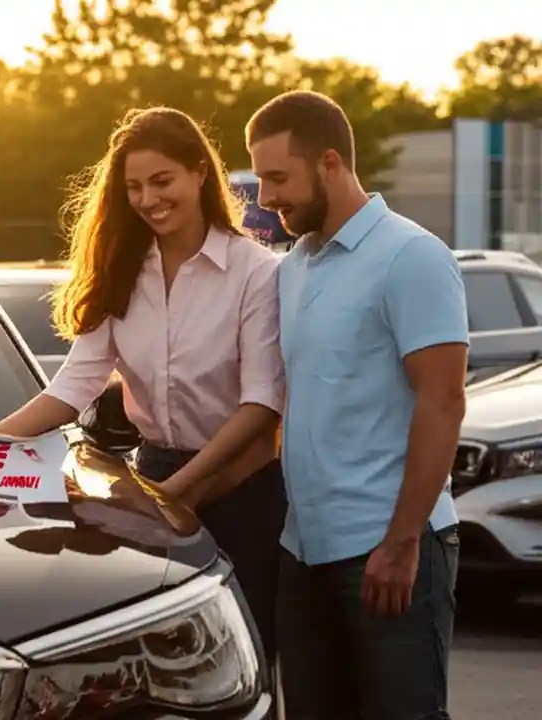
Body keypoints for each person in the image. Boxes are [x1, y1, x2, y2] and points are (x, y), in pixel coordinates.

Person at [0, 106, 287, 665]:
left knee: (244, 659)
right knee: (152, 660)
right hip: (152, 481)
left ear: (201, 172)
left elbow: (262, 404)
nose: (149, 199)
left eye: (162, 181)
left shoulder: (257, 272)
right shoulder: (121, 270)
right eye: (134, 187)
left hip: (244, 493)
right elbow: (71, 389)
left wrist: (181, 490)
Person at [245, 90, 466, 720]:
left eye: (278, 177)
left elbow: (444, 402)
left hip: (390, 550)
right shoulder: (293, 269)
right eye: (261, 178)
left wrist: (400, 544)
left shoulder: (412, 255)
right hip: (304, 552)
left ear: (332, 164)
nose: (266, 198)